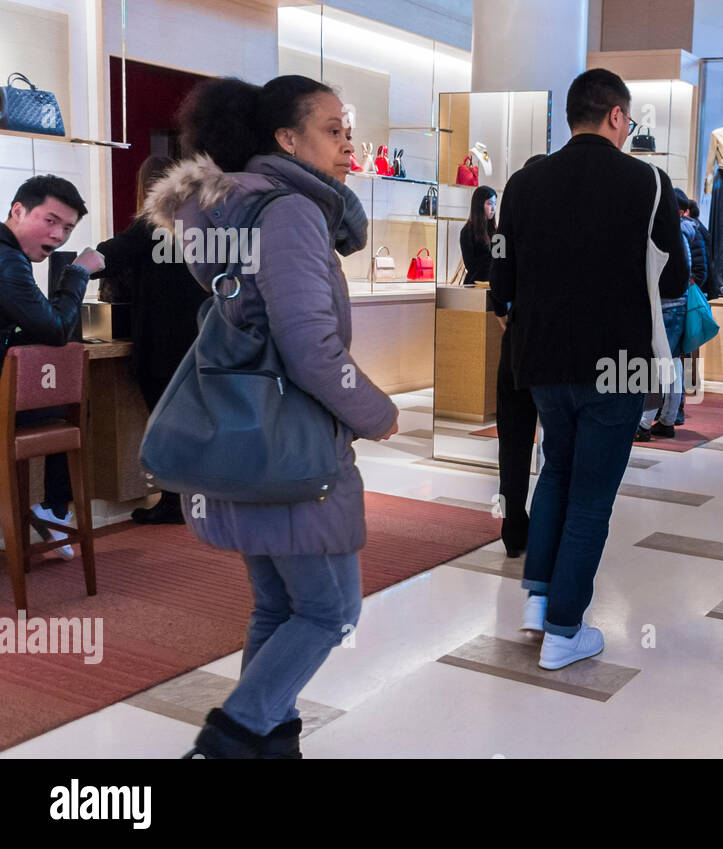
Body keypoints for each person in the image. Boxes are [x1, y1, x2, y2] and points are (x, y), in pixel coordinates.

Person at [149, 75, 399, 758]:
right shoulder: (288, 213)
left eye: (348, 130)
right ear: (286, 139)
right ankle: (227, 741)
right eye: (332, 129)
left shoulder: (229, 210)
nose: (348, 145)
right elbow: (311, 347)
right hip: (293, 442)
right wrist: (378, 412)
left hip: (244, 435)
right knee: (329, 608)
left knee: (278, 605)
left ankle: (270, 743)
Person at [489, 68, 688, 670]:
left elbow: (502, 281)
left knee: (555, 474)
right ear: (618, 117)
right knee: (593, 496)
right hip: (619, 362)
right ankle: (564, 631)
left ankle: (539, 601)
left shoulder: (524, 183)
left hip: (543, 357)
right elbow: (676, 277)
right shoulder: (649, 182)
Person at [95, 156, 210, 525]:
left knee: (165, 425)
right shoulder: (201, 222)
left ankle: (174, 501)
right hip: (202, 337)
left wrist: (77, 267)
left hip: (162, 339)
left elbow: (110, 256)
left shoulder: (151, 222)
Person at [0, 175, 102, 558]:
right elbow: (57, 328)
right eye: (51, 220)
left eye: (68, 228)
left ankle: (45, 509)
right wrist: (78, 272)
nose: (59, 235)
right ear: (18, 210)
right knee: (72, 406)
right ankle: (53, 509)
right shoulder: (7, 260)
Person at [493, 154, 547, 558]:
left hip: (518, 336)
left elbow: (499, 264)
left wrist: (500, 307)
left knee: (513, 437)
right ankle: (546, 527)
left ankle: (513, 523)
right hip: (559, 344)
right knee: (559, 443)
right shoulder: (564, 217)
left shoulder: (513, 203)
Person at [636, 188, 702, 441]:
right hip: (680, 303)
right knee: (672, 363)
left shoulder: (657, 233)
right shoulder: (683, 234)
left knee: (656, 364)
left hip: (661, 304)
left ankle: (643, 423)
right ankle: (668, 419)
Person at [459, 185, 497, 286]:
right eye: (489, 203)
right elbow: (470, 265)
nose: (493, 208)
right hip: (475, 285)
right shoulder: (467, 231)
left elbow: (501, 260)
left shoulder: (496, 232)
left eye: (495, 204)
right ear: (479, 205)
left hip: (494, 285)